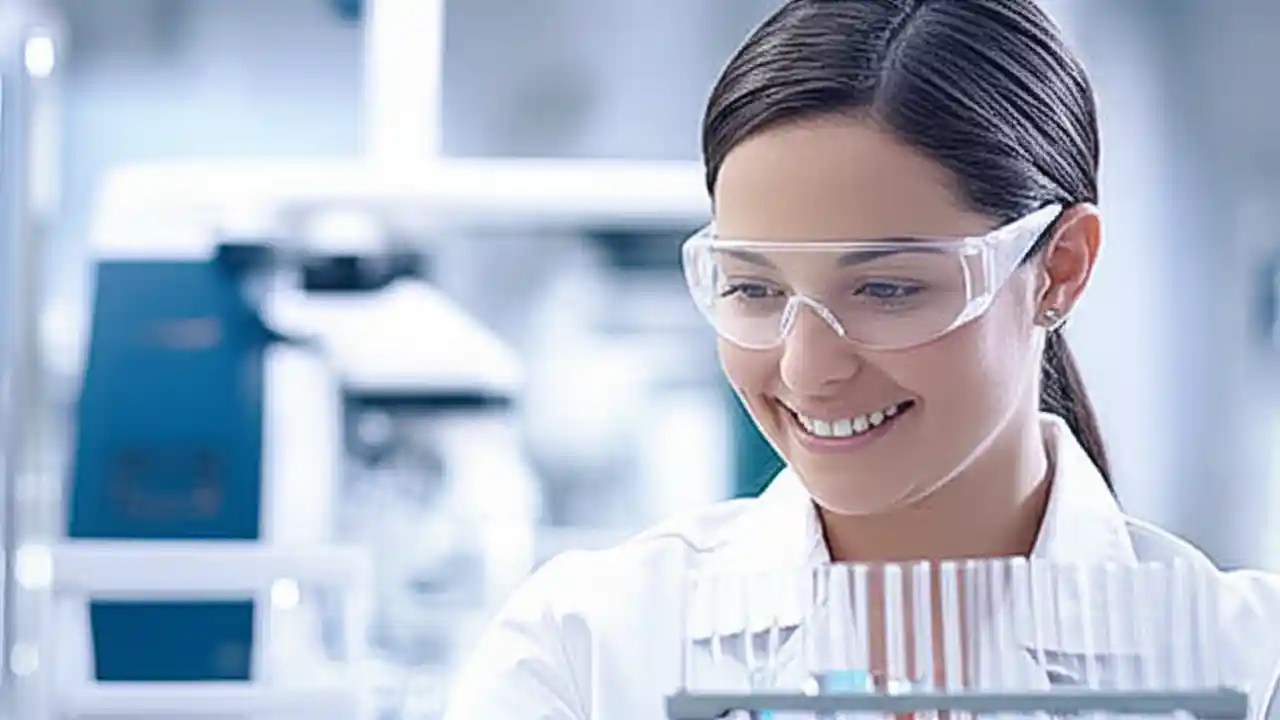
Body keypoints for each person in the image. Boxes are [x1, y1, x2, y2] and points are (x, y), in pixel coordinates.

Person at [445, 1, 1280, 717]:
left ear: (1059, 268)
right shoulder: (587, 650)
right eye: (753, 289)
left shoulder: (1251, 665)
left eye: (886, 290)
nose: (807, 369)